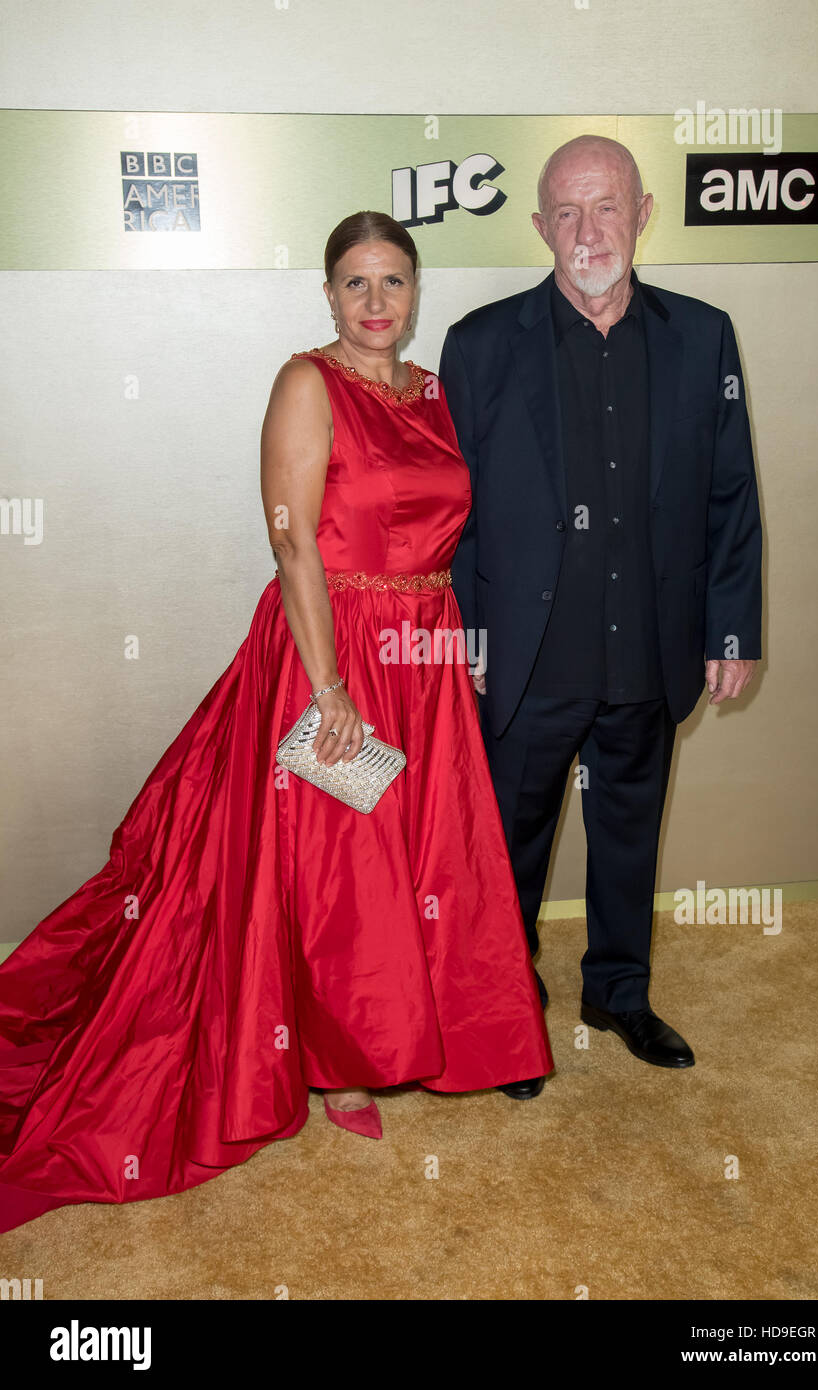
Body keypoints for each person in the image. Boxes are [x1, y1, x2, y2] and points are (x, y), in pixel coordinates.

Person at [0, 210, 553, 1235]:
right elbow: (292, 539)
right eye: (355, 283)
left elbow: (449, 532)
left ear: (415, 289)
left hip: (421, 648)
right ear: (328, 293)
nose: (376, 302)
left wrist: (452, 651)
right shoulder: (306, 381)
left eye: (393, 281)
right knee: (332, 865)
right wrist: (328, 686)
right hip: (330, 645)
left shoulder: (434, 392)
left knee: (412, 856)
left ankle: (396, 1033)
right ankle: (334, 1064)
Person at [438, 136, 762, 1095]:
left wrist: (730, 629)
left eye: (608, 207)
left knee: (629, 832)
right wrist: (466, 629)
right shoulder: (481, 344)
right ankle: (506, 1013)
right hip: (528, 659)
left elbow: (730, 495)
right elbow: (447, 508)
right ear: (539, 226)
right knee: (512, 846)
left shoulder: (705, 337)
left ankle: (619, 992)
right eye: (568, 214)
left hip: (649, 649)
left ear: (644, 211)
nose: (590, 232)